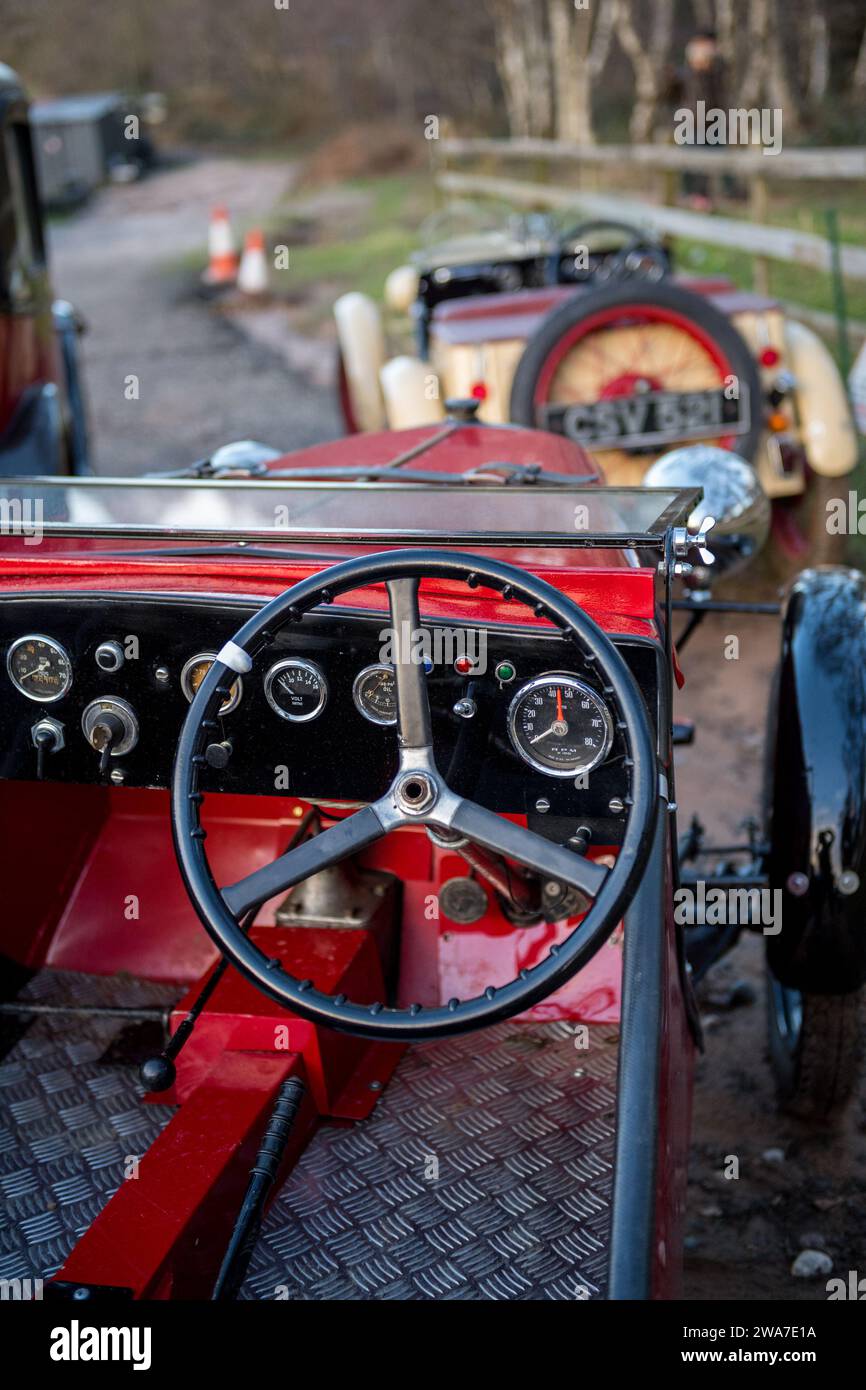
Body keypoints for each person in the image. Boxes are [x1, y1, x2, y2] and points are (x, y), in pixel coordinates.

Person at [675, 29, 731, 211]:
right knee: (691, 163)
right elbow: (670, 93)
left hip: (714, 123)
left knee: (716, 162)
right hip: (692, 123)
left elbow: (719, 94)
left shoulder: (718, 70)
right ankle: (691, 196)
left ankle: (717, 197)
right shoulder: (685, 72)